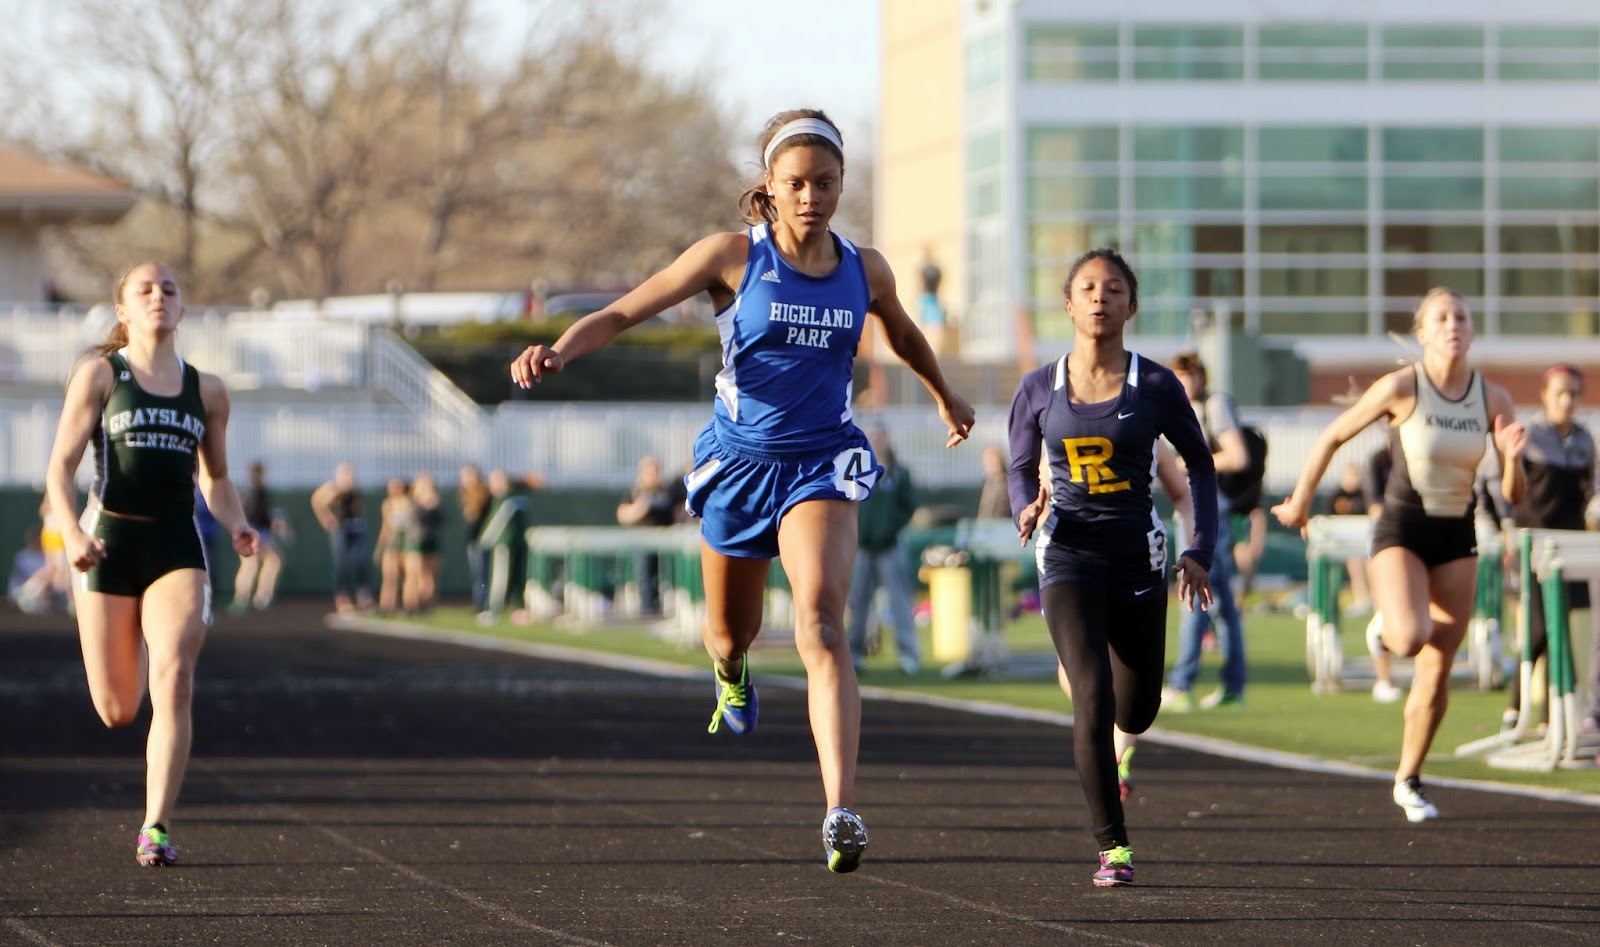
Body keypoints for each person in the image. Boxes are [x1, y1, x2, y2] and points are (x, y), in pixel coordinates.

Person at [509, 108, 974, 873]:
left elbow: (901, 330)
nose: (812, 197)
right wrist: (558, 350)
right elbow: (628, 308)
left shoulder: (868, 267)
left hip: (822, 462)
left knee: (822, 624)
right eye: (796, 183)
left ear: (841, 184)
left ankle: (840, 809)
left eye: (826, 183)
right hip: (738, 464)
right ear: (770, 186)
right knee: (732, 632)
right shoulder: (732, 257)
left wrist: (943, 393)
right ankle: (729, 675)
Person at [1273, 287, 1525, 823]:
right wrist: (1298, 501)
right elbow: (1333, 435)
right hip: (1402, 528)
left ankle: (1409, 778)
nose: (1454, 324)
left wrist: (1512, 459)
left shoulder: (1494, 398)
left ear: (1472, 330)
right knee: (1410, 637)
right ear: (1423, 333)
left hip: (1458, 534)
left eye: (1462, 316)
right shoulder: (1403, 387)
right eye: (1442, 317)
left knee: (1438, 668)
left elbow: (1514, 492)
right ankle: (1384, 630)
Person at [1007, 247, 1215, 887]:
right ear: (1068, 304)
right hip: (1067, 553)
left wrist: (1198, 550)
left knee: (1136, 708)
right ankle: (1112, 847)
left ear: (1132, 304)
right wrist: (1026, 507)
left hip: (1138, 557)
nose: (1101, 298)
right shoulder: (1039, 387)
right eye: (1088, 288)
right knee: (1092, 698)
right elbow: (1018, 465)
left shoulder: (1154, 385)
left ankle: (1119, 700)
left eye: (1115, 288)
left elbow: (1200, 467)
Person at [43, 261, 258, 866]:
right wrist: (69, 535)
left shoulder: (207, 390)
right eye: (145, 290)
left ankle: (155, 827)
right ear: (123, 310)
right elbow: (60, 468)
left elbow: (215, 477)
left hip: (174, 547)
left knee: (176, 679)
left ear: (183, 307)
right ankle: (134, 637)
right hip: (106, 545)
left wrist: (237, 521)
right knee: (118, 710)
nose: (158, 297)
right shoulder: (100, 376)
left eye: (169, 289)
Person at [1499, 365, 1595, 732]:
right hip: (1535, 544)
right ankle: (1516, 707)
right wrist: (1507, 531)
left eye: (1574, 393)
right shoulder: (1528, 435)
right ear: (1544, 395)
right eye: (1560, 393)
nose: (1567, 401)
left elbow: (1590, 492)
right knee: (1541, 628)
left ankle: (1551, 715)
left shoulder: (1585, 440)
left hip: (1572, 547)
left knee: (1566, 629)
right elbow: (1507, 491)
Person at [1161, 352, 1249, 711]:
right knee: (1221, 604)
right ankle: (1232, 686)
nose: (1186, 382)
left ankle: (1183, 683)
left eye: (1191, 374)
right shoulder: (1174, 406)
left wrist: (1186, 464)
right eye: (1179, 375)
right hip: (1190, 509)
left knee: (1196, 597)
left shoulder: (1213, 406)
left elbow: (1237, 456)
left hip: (1207, 511)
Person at [845, 425, 921, 675]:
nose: (878, 441)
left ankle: (907, 655)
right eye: (874, 437)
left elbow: (908, 506)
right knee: (859, 603)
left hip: (890, 546)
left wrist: (890, 528)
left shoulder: (899, 473)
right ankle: (855, 654)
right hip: (863, 547)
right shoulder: (860, 468)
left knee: (900, 601)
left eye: (881, 437)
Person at [616, 455, 679, 615]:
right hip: (643, 542)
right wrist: (640, 507)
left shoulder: (668, 492)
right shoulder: (635, 492)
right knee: (646, 574)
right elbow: (623, 514)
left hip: (667, 542)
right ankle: (649, 609)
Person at [311, 461, 371, 614]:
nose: (348, 476)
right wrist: (326, 519)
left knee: (361, 561)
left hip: (356, 527)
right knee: (341, 563)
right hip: (340, 529)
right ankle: (342, 597)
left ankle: (362, 595)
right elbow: (316, 500)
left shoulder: (355, 488)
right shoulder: (332, 488)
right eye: (344, 473)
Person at [230, 461, 287, 613]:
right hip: (256, 533)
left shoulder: (251, 491)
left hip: (251, 532)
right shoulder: (257, 492)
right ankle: (261, 597)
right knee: (271, 561)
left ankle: (244, 597)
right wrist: (272, 523)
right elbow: (257, 514)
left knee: (252, 564)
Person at [476, 468, 531, 624]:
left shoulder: (507, 500)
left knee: (502, 578)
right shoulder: (516, 498)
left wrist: (484, 540)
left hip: (504, 545)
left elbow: (496, 523)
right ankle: (516, 609)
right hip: (515, 543)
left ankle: (494, 610)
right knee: (514, 577)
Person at [1326, 461, 1374, 616]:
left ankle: (1376, 600)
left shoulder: (1364, 494)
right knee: (1355, 563)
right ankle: (1361, 599)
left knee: (1371, 564)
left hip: (1366, 539)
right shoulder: (1336, 494)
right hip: (1343, 542)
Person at [372, 476, 416, 614]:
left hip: (408, 545)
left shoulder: (410, 503)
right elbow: (385, 527)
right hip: (392, 545)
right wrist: (379, 548)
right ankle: (386, 606)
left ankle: (410, 606)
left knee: (409, 577)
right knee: (390, 577)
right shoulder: (387, 504)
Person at [404, 472, 443, 613]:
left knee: (429, 575)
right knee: (413, 575)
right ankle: (411, 605)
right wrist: (425, 507)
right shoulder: (412, 502)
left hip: (430, 541)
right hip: (415, 542)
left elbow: (440, 521)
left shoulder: (434, 502)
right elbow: (414, 520)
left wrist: (434, 507)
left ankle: (425, 604)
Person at [458, 464, 492, 613]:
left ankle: (482, 604)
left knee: (482, 574)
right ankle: (479, 602)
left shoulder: (484, 493)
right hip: (473, 540)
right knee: (477, 574)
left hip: (482, 539)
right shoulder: (465, 495)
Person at [976, 444, 1011, 519]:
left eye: (993, 459)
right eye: (987, 460)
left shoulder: (1006, 483)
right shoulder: (989, 482)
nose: (990, 463)